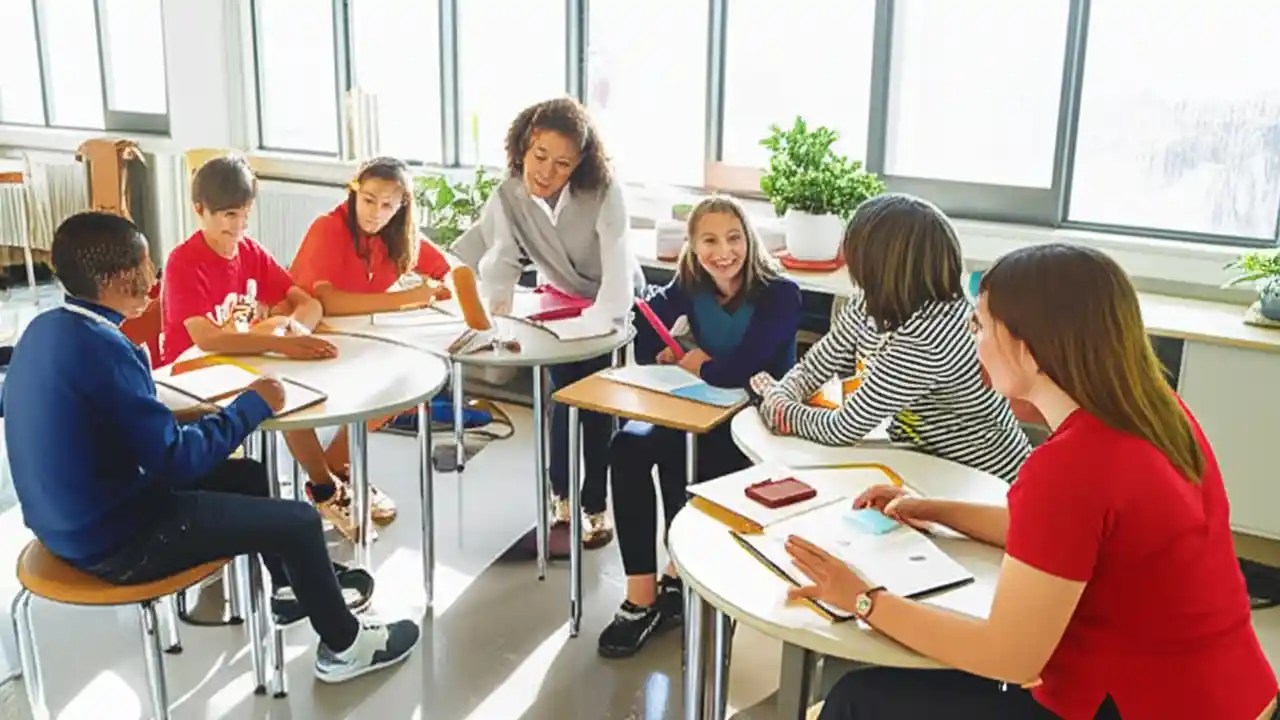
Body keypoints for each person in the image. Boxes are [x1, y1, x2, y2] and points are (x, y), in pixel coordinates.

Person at [794, 243, 1278, 719]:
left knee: (858, 698)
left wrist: (861, 598)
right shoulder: (1157, 413)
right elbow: (1073, 541)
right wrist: (934, 510)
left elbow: (1009, 655)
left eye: (981, 325)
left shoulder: (1071, 465)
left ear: (1027, 348)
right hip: (1235, 693)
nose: (972, 338)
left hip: (1137, 704)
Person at [2, 212, 419, 683]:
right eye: (145, 266)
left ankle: (289, 588)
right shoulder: (106, 349)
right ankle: (346, 648)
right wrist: (252, 405)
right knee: (300, 521)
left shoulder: (45, 330)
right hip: (116, 542)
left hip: (65, 521)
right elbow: (178, 462)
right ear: (120, 280)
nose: (153, 276)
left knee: (247, 477)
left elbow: (82, 418)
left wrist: (190, 415)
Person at [598, 196, 800, 658]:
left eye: (733, 238)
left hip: (751, 426)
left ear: (749, 239)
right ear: (692, 245)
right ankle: (642, 597)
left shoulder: (780, 293)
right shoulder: (690, 282)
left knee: (690, 461)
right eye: (709, 240)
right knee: (628, 446)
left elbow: (745, 370)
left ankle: (682, 576)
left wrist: (699, 363)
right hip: (696, 409)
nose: (723, 252)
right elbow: (645, 336)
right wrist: (674, 354)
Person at [454, 96, 645, 550]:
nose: (546, 171)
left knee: (596, 405)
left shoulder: (603, 191)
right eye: (540, 156)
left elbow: (617, 266)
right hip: (559, 302)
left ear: (579, 165)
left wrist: (601, 322)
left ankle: (595, 503)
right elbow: (500, 259)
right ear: (523, 145)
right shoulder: (508, 195)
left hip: (607, 301)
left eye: (562, 164)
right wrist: (491, 320)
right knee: (563, 398)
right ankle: (561, 494)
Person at [160, 155, 370, 541]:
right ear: (199, 211)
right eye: (227, 215)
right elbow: (206, 338)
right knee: (279, 388)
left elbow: (309, 303)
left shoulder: (250, 251)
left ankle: (328, 482)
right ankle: (324, 487)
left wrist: (292, 329)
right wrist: (280, 342)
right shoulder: (183, 263)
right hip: (191, 374)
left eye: (244, 214)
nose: (238, 226)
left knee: (292, 381)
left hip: (239, 361)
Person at [752, 193, 1030, 482]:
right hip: (923, 464)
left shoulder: (929, 339)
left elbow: (843, 428)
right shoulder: (868, 302)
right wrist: (785, 394)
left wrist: (783, 409)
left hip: (982, 480)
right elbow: (816, 365)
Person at [287, 156, 455, 527]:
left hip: (361, 336)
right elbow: (328, 301)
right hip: (310, 332)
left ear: (401, 207)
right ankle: (325, 486)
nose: (376, 213)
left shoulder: (398, 233)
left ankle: (338, 469)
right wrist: (407, 298)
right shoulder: (327, 228)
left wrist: (454, 287)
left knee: (402, 380)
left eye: (388, 205)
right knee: (304, 402)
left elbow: (447, 267)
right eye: (368, 200)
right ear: (353, 192)